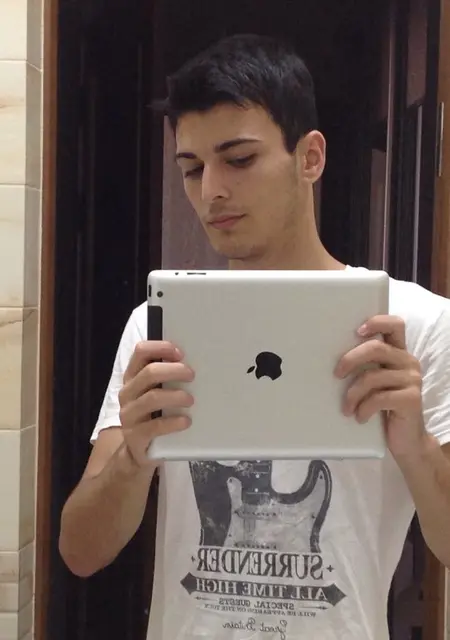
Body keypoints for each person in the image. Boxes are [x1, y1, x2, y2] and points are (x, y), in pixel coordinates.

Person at [59, 34, 450, 639]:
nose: (210, 190)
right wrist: (133, 458)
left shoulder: (418, 327)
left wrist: (416, 449)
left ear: (310, 158)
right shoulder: (159, 328)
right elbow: (81, 552)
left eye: (238, 160)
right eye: (192, 168)